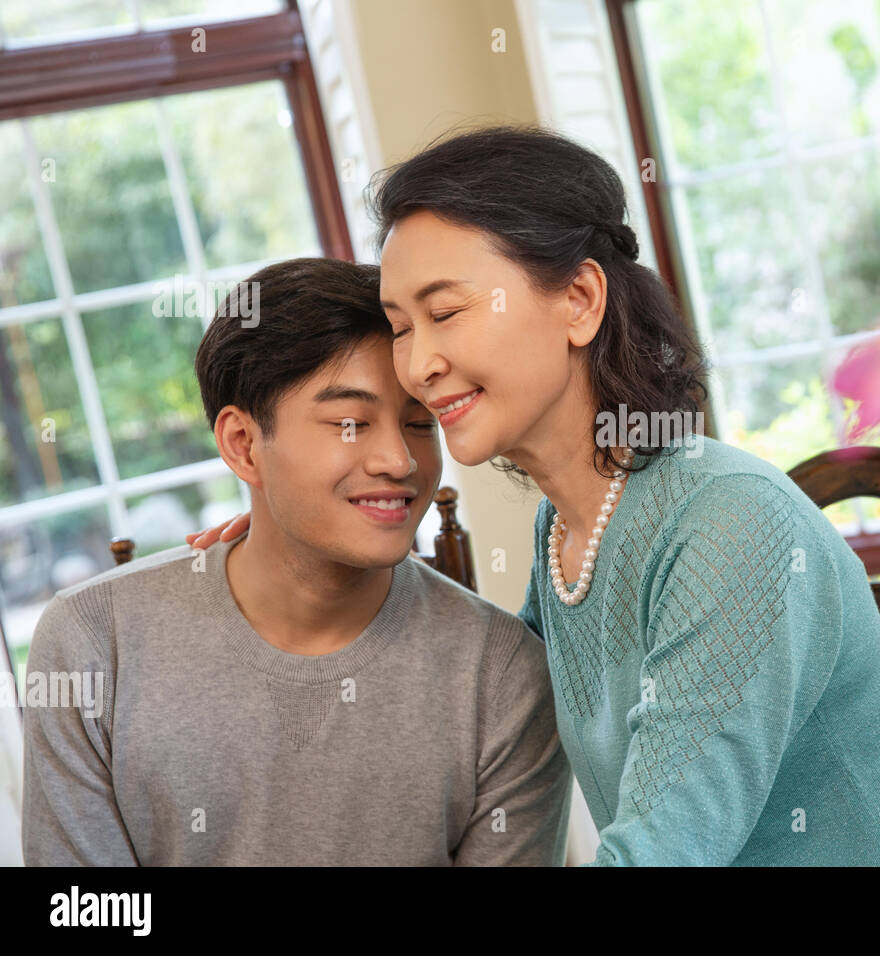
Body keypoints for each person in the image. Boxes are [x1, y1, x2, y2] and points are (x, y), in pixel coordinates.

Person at [191, 126, 880, 865]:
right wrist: (296, 551)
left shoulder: (726, 522)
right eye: (401, 326)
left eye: (445, 312)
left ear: (578, 301)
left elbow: (659, 854)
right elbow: (480, 692)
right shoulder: (566, 533)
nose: (419, 364)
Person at [22, 257, 571, 866]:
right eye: (349, 423)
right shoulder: (93, 641)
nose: (399, 459)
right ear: (243, 444)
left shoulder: (505, 676)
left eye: (419, 423)